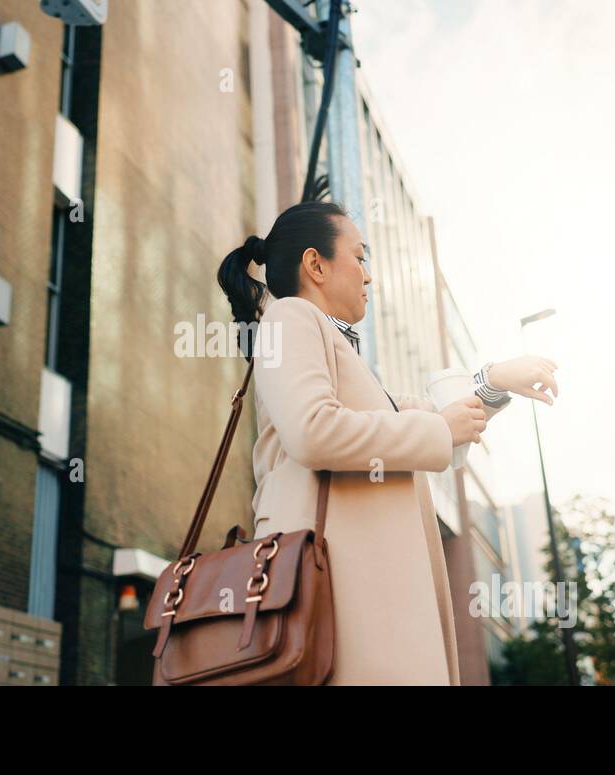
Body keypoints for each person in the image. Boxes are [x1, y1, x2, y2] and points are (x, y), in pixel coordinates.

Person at [216, 200, 559, 684]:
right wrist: (439, 431)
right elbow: (313, 429)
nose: (368, 275)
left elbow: (417, 415)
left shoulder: (330, 344)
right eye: (360, 257)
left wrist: (493, 380)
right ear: (315, 265)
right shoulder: (290, 317)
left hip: (355, 589)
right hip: (336, 589)